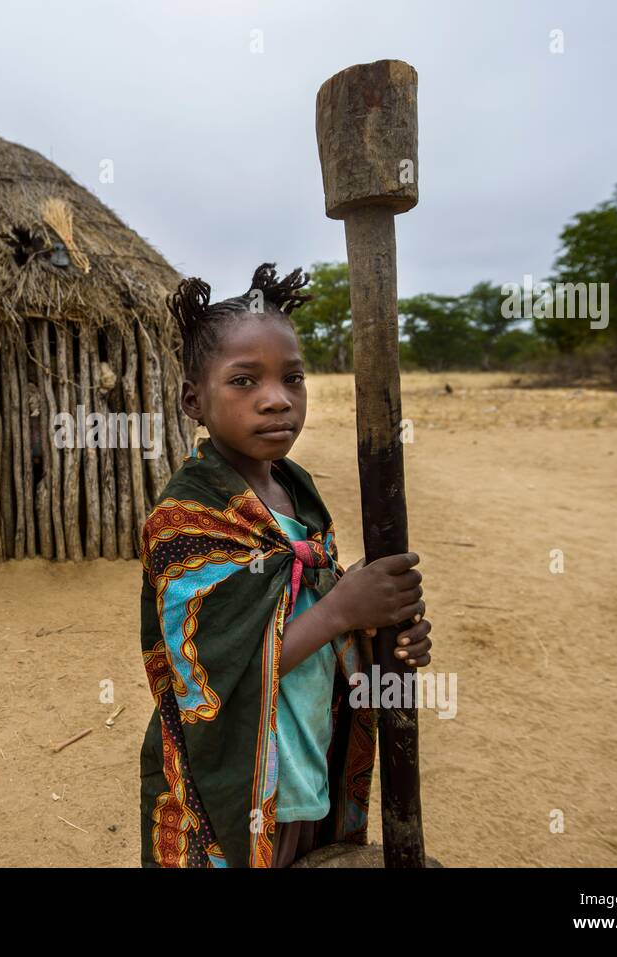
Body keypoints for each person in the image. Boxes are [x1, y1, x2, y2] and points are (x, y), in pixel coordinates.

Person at [138, 263, 433, 868]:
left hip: (305, 758)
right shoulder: (186, 520)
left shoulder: (296, 493)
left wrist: (377, 624)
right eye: (244, 381)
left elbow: (309, 601)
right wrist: (340, 610)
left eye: (292, 378)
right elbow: (211, 673)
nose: (277, 400)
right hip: (235, 780)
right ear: (194, 399)